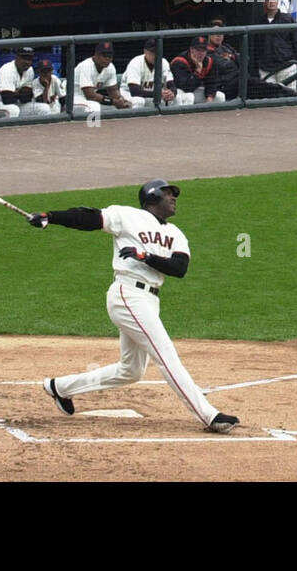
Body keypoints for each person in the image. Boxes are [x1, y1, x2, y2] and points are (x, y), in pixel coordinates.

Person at [37, 179, 239, 434]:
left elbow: (179, 269)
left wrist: (146, 256)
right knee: (166, 355)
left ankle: (60, 387)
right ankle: (210, 416)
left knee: (131, 371)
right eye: (168, 194)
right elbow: (87, 218)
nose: (174, 198)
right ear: (153, 197)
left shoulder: (176, 233)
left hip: (150, 300)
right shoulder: (127, 216)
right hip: (127, 294)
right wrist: (50, 217)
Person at [73, 40, 138, 113]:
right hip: (73, 97)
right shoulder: (86, 66)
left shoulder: (110, 67)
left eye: (110, 56)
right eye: (104, 55)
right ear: (96, 55)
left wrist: (121, 100)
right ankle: (91, 125)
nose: (107, 59)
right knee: (94, 106)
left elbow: (112, 90)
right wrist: (113, 102)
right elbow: (90, 96)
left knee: (131, 104)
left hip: (86, 100)